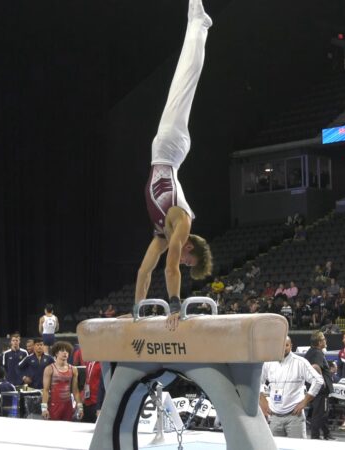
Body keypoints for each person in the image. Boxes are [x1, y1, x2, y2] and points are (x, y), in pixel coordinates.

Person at [134, 0, 214, 330]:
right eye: (189, 261)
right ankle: (198, 22)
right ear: (190, 246)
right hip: (170, 148)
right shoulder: (183, 221)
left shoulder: (162, 233)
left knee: (183, 81)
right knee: (185, 80)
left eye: (186, 264)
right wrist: (175, 306)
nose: (182, 261)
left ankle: (197, 22)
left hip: (164, 150)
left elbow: (145, 270)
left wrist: (137, 311)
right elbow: (169, 268)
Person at [259, 336, 324, 438]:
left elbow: (318, 380)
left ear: (291, 346)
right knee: (275, 445)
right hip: (274, 416)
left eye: (286, 345)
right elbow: (258, 381)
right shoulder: (268, 363)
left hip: (294, 417)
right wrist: (263, 400)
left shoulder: (300, 362)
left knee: (297, 446)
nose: (283, 348)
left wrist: (304, 402)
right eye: (280, 345)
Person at [41, 341, 82, 421]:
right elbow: (45, 390)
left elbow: (75, 391)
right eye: (62, 351)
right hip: (54, 405)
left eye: (67, 351)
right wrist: (44, 408)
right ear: (56, 353)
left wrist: (80, 407)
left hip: (68, 405)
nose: (65, 353)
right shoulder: (49, 369)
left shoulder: (73, 369)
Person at [305, 331, 334, 440]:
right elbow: (315, 366)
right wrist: (322, 381)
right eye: (324, 339)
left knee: (321, 412)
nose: (325, 340)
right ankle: (315, 437)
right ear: (319, 342)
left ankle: (326, 434)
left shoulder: (311, 352)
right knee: (319, 413)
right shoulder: (317, 353)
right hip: (320, 390)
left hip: (315, 388)